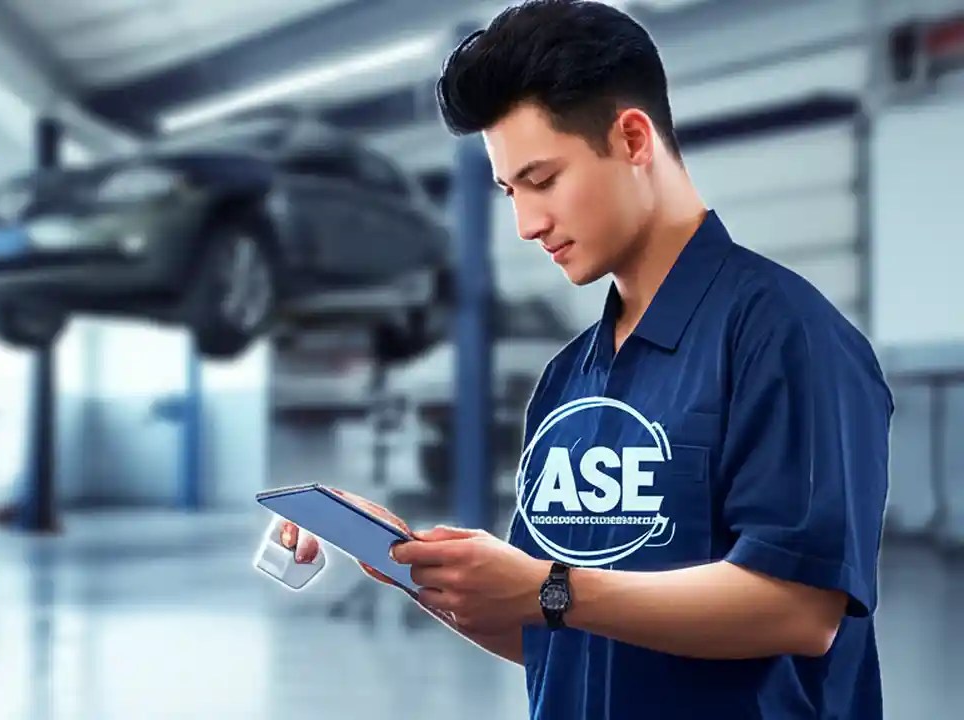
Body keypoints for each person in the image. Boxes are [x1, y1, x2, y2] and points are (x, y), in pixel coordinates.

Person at [277, 1, 895, 718]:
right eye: (510, 191)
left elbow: (802, 610)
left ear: (632, 139)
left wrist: (551, 589)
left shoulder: (786, 336)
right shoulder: (568, 380)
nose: (526, 223)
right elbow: (548, 629)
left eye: (542, 180)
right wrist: (405, 561)